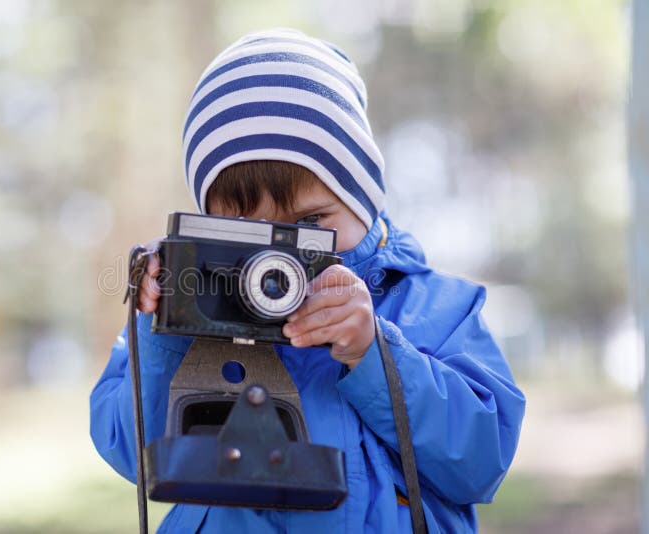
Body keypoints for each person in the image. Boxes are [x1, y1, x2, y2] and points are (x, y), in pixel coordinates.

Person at [90, 28, 525, 533]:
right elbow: (132, 455)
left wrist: (376, 354)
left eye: (311, 223)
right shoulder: (193, 303)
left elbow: (481, 461)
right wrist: (164, 325)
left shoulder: (434, 307)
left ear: (364, 197)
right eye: (249, 230)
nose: (283, 249)